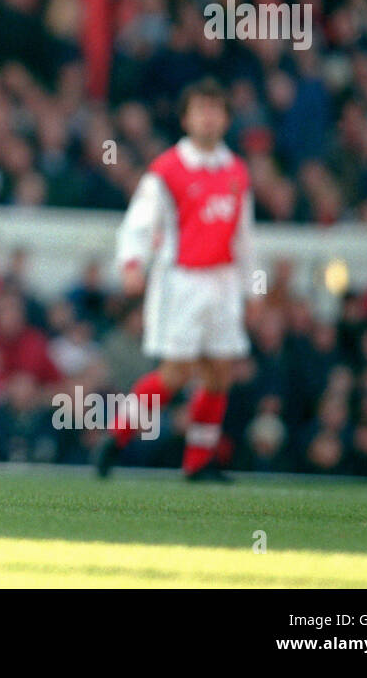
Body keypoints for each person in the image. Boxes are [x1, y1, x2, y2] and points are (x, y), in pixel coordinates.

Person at [95, 78, 254, 481]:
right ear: (186, 118)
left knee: (219, 372)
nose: (209, 117)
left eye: (216, 109)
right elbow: (140, 223)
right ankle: (116, 438)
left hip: (222, 282)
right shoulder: (167, 170)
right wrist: (133, 262)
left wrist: (251, 285)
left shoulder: (236, 170)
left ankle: (198, 461)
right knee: (176, 372)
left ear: (226, 118)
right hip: (181, 282)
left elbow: (244, 234)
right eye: (201, 109)